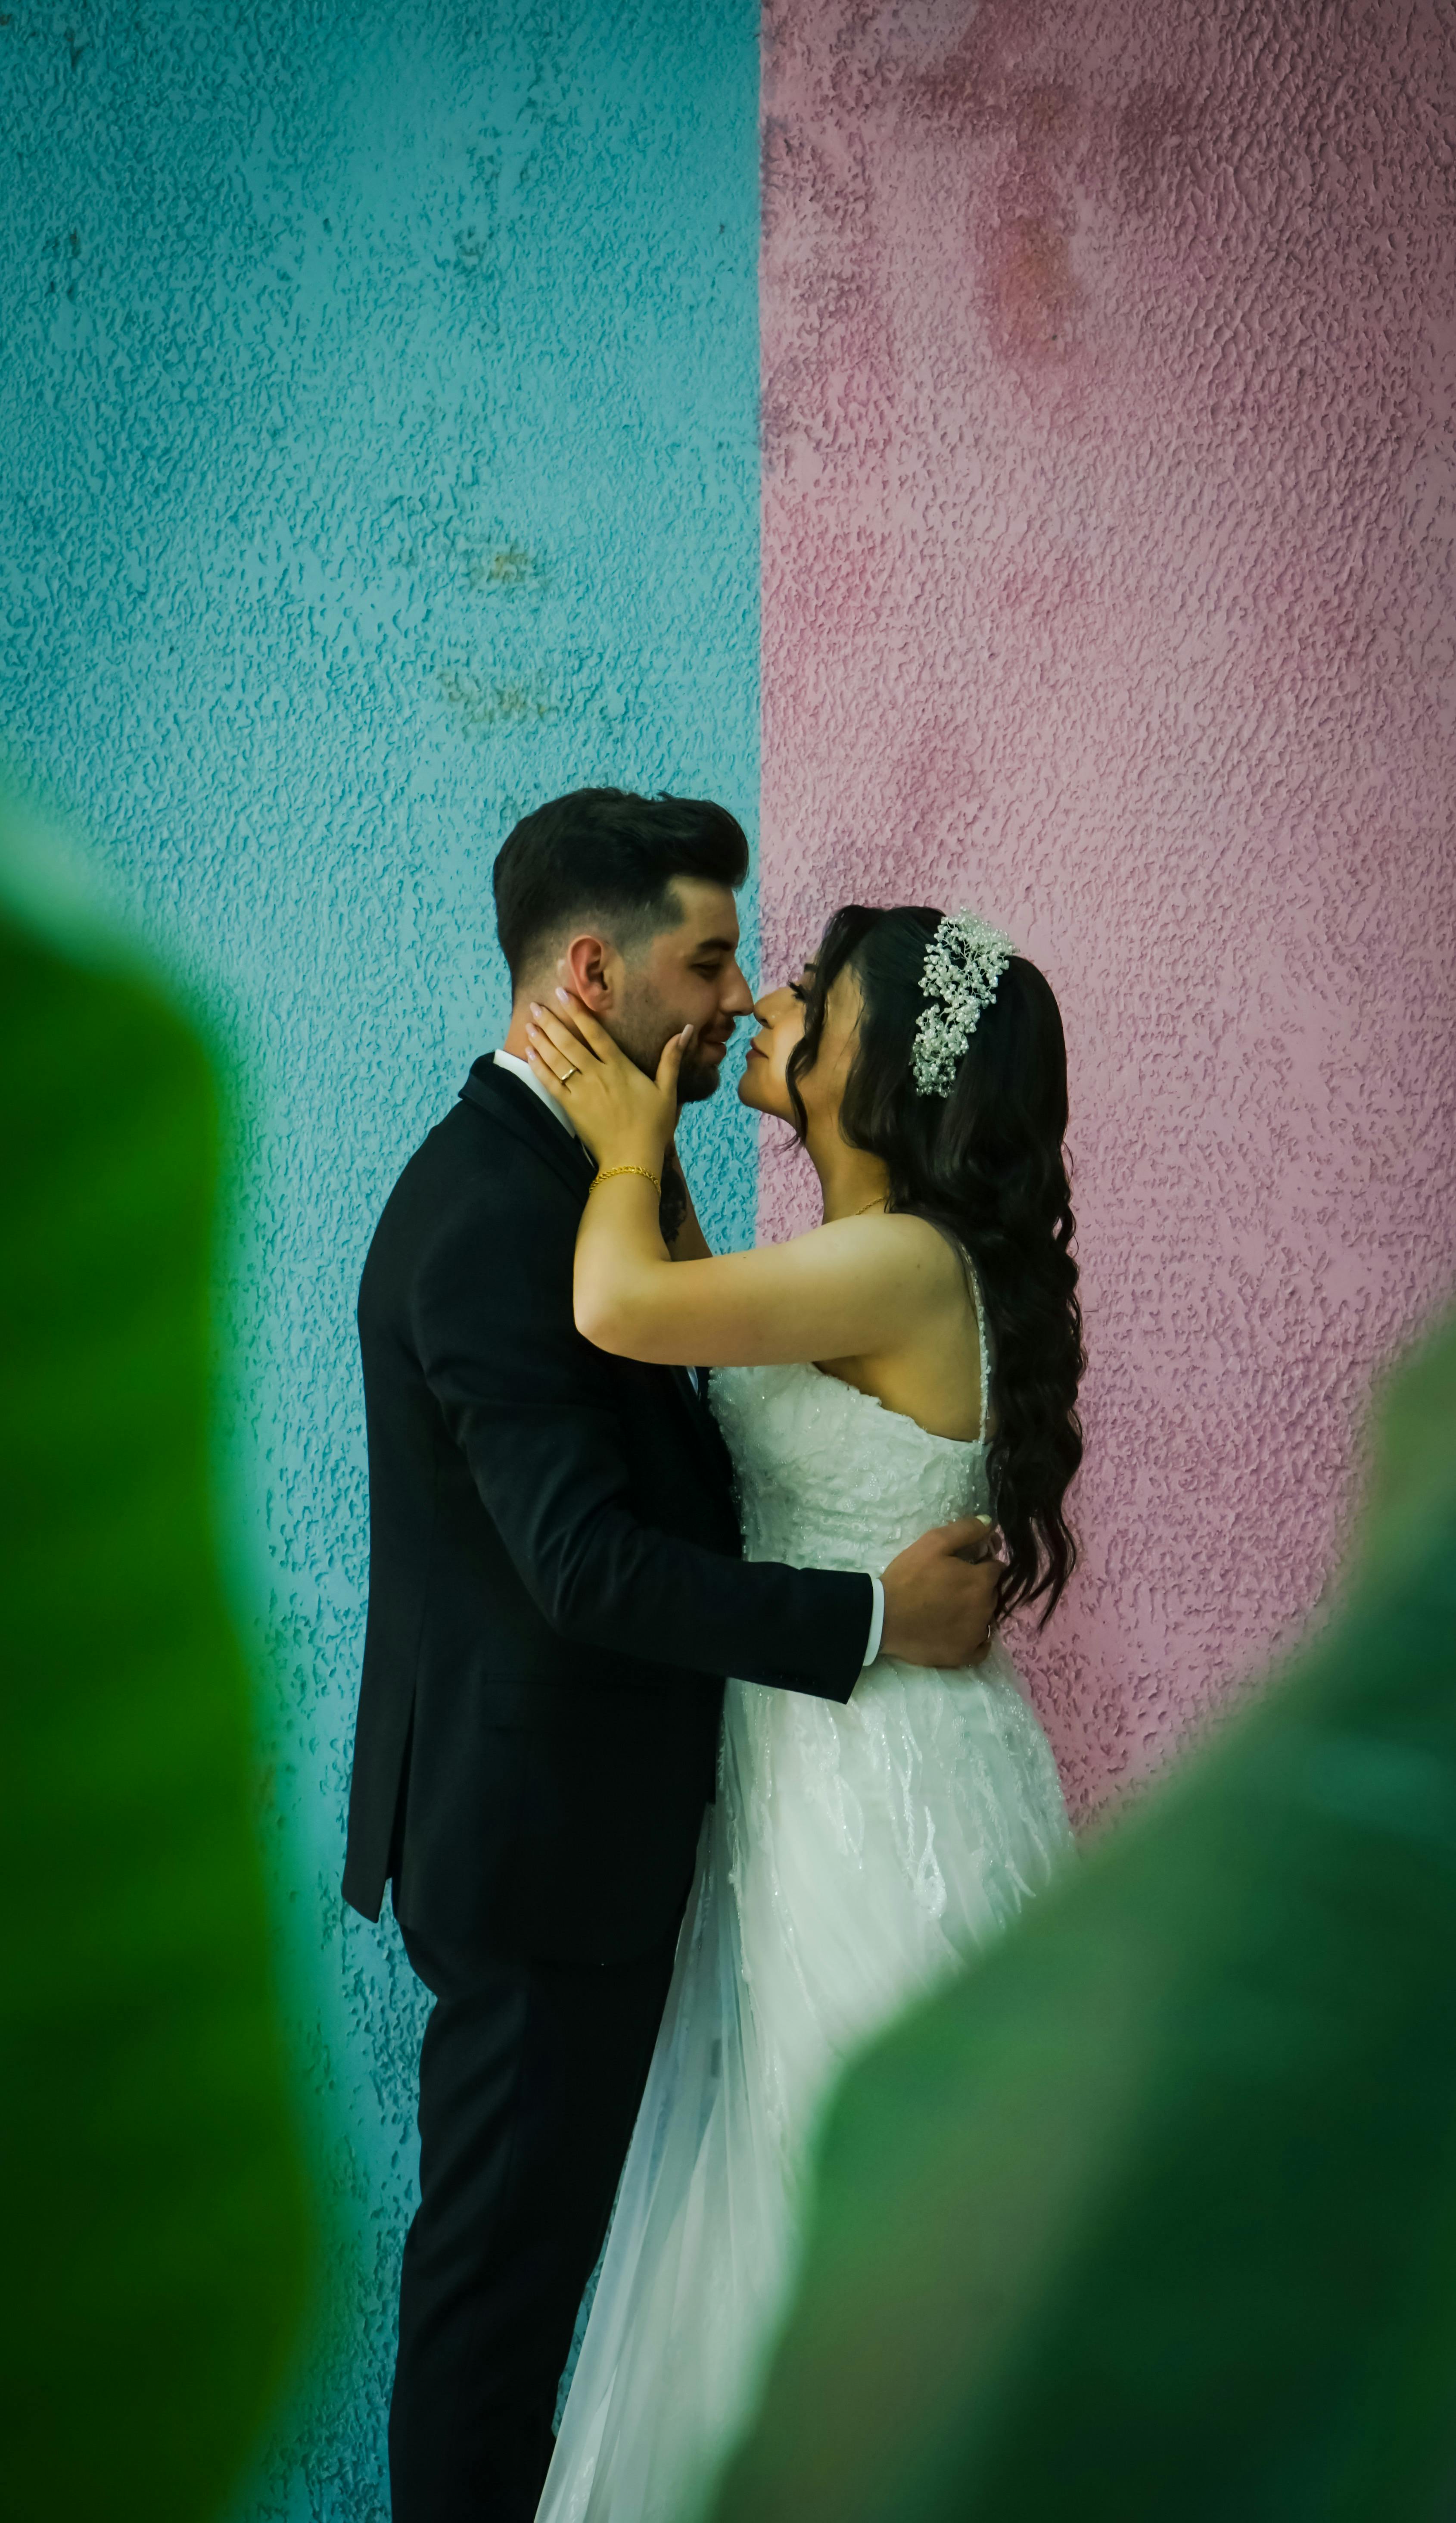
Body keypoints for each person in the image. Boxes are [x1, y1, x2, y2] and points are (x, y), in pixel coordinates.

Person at [341, 791, 1003, 2523]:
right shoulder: (499, 1213)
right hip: (540, 1851)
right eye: (708, 962)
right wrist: (871, 1617)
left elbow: (692, 1413)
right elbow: (581, 1563)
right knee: (498, 2310)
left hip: (683, 1833)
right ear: (593, 971)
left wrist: (648, 1168)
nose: (733, 999)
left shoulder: (578, 1184)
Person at [527, 899, 1083, 2523]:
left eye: (815, 996)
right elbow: (723, 1329)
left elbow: (620, 1307)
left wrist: (626, 1149)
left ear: (881, 1071)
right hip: (811, 1761)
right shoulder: (860, 1264)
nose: (770, 1001)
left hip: (880, 1791)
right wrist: (664, 1187)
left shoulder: (899, 1262)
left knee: (862, 2240)